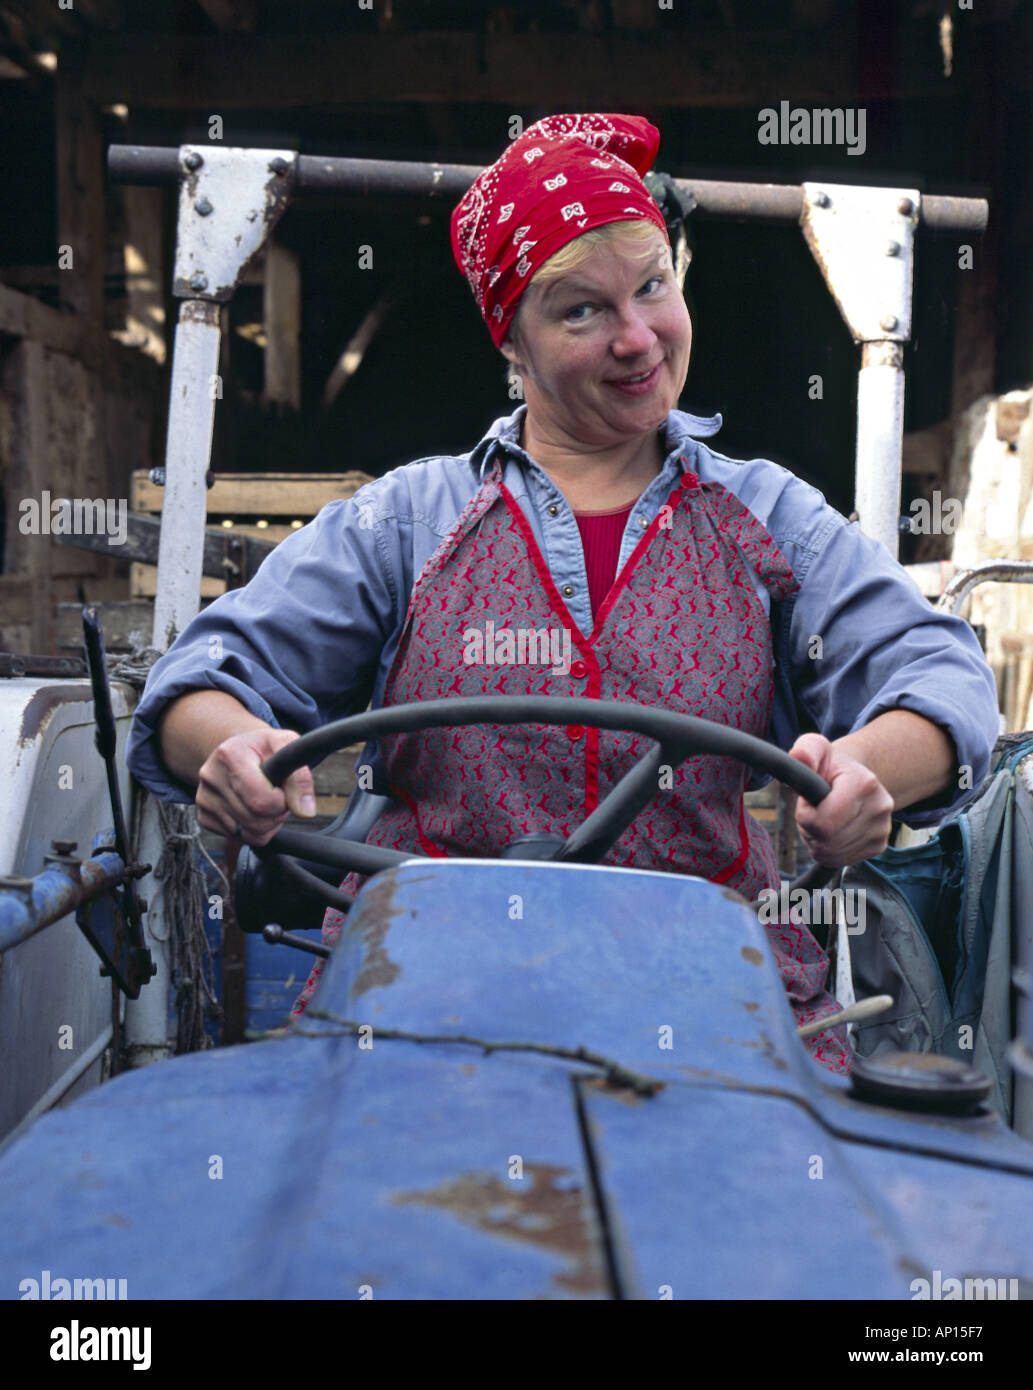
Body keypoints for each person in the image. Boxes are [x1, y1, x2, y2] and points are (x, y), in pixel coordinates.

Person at [127, 112, 1000, 1072]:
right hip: (422, 1002)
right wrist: (230, 747)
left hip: (708, 1004)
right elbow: (203, 675)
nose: (637, 339)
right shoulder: (412, 522)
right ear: (513, 344)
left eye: (651, 287)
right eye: (579, 311)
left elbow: (941, 675)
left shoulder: (767, 519)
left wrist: (870, 768)